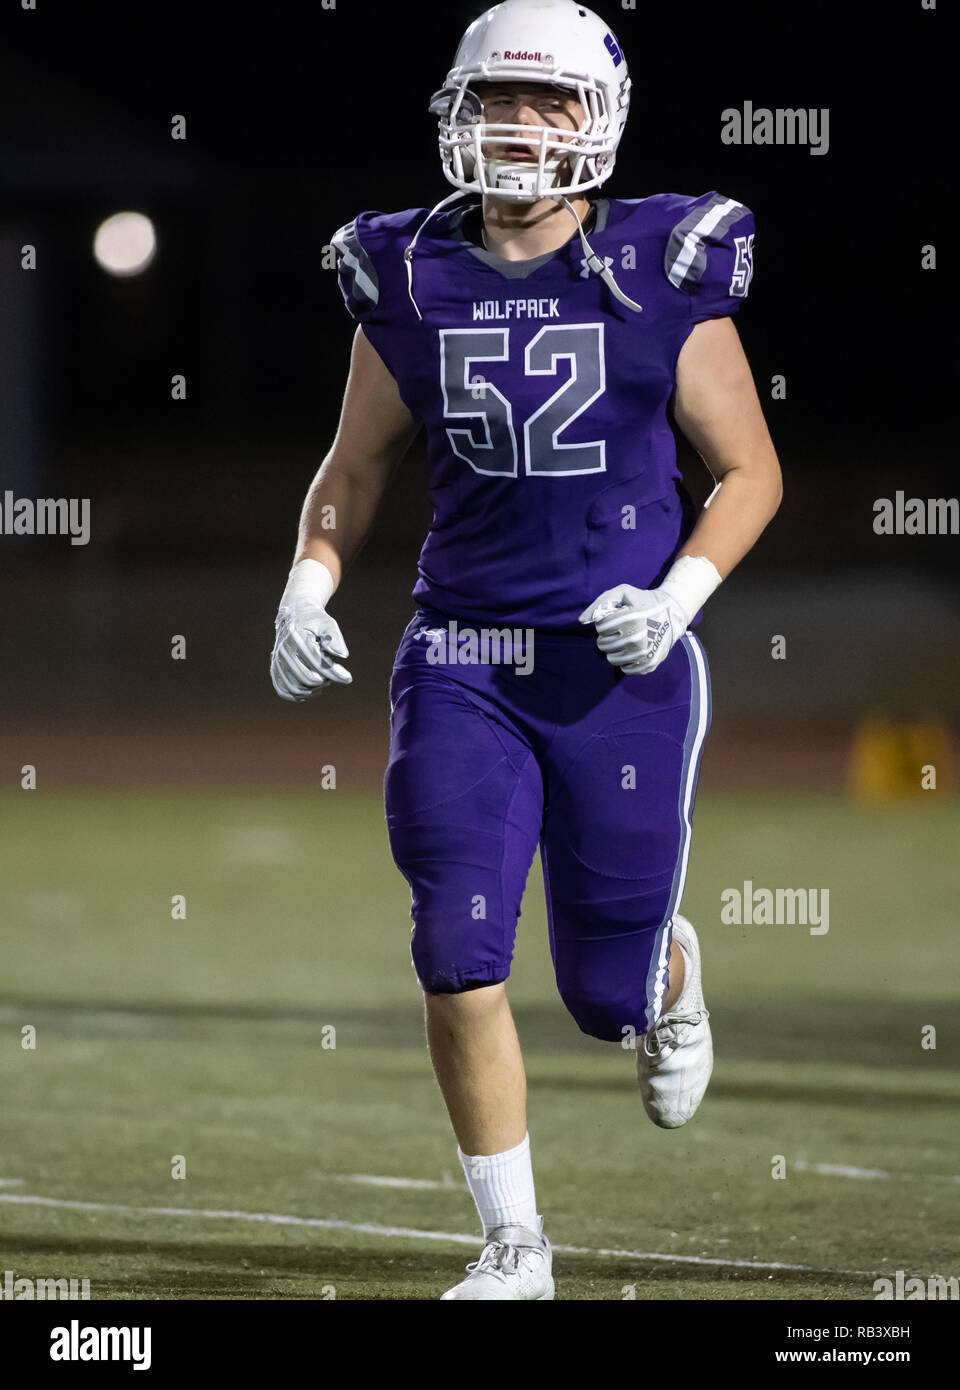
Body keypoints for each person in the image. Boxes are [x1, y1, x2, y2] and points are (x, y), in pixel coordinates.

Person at [270, 0, 782, 1300]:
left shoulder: (664, 263)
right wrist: (309, 578)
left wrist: (678, 595)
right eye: (500, 97)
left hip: (620, 665)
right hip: (461, 657)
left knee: (604, 999)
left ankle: (665, 966)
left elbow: (750, 470)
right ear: (459, 108)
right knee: (457, 941)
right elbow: (354, 470)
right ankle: (516, 1246)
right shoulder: (406, 269)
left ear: (597, 121)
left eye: (549, 103)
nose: (520, 125)